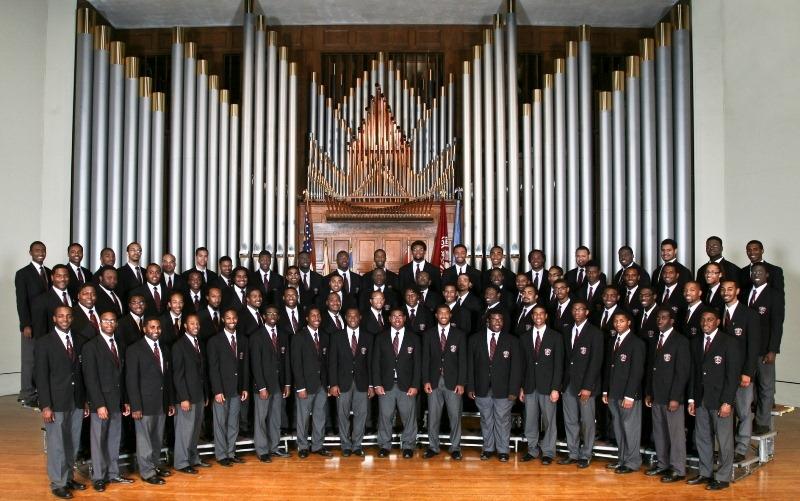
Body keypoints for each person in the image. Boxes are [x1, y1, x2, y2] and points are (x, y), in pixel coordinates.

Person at [36, 305, 88, 498]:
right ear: (54, 319)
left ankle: (68, 477)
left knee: (72, 443)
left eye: (68, 316)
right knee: (57, 444)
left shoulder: (79, 340)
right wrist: (46, 405)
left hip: (76, 401)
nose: (64, 319)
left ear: (72, 319)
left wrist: (84, 401)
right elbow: (41, 377)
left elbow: (82, 374)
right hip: (55, 403)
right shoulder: (44, 343)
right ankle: (58, 483)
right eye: (60, 316)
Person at [687, 310, 741, 491]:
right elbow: (694, 373)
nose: (705, 322)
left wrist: (727, 402)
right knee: (703, 438)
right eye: (703, 319)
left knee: (724, 440)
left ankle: (723, 477)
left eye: (710, 319)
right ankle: (705, 473)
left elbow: (732, 376)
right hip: (701, 399)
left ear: (717, 322)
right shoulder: (695, 343)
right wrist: (692, 399)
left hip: (720, 401)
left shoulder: (729, 342)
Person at [82, 311, 134, 491]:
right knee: (98, 441)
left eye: (112, 321)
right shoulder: (91, 347)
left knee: (114, 439)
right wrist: (99, 404)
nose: (109, 324)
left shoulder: (120, 344)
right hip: (101, 404)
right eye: (106, 321)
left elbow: (123, 376)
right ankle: (98, 477)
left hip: (117, 402)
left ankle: (113, 473)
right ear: (99, 323)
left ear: (116, 324)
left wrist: (126, 400)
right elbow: (90, 379)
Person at [126, 317, 175, 485]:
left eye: (158, 327)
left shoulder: (164, 348)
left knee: (156, 438)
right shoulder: (135, 349)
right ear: (144, 329)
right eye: (152, 327)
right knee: (145, 440)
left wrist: (169, 402)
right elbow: (131, 380)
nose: (156, 330)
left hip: (161, 402)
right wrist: (136, 406)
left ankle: (154, 465)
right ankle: (147, 472)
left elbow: (167, 378)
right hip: (144, 404)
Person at [467, 311, 522, 463]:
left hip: (504, 390)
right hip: (481, 387)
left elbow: (516, 368)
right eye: (494, 319)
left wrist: (513, 390)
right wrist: (471, 387)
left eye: (500, 319)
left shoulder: (512, 340)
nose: (497, 322)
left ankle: (503, 450)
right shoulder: (475, 339)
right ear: (487, 322)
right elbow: (470, 365)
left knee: (503, 420)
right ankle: (488, 448)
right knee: (486, 419)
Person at [644, 307, 690, 483]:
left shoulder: (680, 341)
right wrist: (649, 392)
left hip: (672, 398)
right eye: (658, 317)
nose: (660, 320)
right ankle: (663, 464)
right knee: (660, 433)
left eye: (664, 317)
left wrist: (675, 397)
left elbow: (682, 372)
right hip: (657, 395)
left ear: (672, 321)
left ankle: (678, 469)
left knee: (675, 434)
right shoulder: (655, 340)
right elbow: (651, 369)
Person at [559, 300, 604, 468]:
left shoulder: (595, 333)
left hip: (586, 386)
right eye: (574, 309)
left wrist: (588, 387)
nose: (577, 312)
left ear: (587, 312)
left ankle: (586, 454)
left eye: (580, 309)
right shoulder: (566, 330)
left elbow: (595, 362)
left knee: (586, 421)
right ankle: (573, 453)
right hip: (568, 383)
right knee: (570, 420)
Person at [720, 279, 761, 461]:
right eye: (723, 289)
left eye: (730, 289)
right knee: (725, 410)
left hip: (741, 372)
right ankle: (725, 448)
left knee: (744, 412)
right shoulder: (717, 312)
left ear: (737, 291)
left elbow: (753, 348)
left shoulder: (749, 315)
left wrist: (748, 373)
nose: (726, 292)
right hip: (722, 372)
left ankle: (741, 448)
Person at [373, 308, 421, 459]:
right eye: (394, 316)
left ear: (405, 318)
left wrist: (415, 384)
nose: (397, 319)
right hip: (386, 384)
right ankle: (384, 446)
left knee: (409, 417)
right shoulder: (381, 337)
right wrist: (377, 384)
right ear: (389, 319)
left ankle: (408, 445)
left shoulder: (414, 338)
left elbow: (418, 364)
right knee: (385, 416)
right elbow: (375, 363)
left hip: (406, 385)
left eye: (400, 316)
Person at [603, 311, 646, 474]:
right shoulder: (613, 341)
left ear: (628, 322)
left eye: (621, 320)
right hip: (614, 393)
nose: (618, 324)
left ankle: (632, 462)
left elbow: (637, 371)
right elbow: (609, 368)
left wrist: (630, 395)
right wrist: (606, 390)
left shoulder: (636, 343)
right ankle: (622, 459)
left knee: (630, 428)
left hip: (628, 395)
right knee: (619, 428)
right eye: (615, 321)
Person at [519, 305, 563, 465]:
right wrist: (521, 387)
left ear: (546, 316)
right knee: (530, 419)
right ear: (532, 317)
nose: (538, 316)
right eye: (535, 314)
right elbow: (521, 365)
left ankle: (549, 452)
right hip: (530, 386)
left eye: (541, 314)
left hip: (548, 387)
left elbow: (559, 365)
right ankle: (532, 449)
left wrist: (556, 388)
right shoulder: (524, 337)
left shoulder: (555, 337)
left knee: (549, 421)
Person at [422, 305, 467, 460]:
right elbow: (425, 360)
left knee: (455, 416)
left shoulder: (459, 335)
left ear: (450, 314)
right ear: (436, 315)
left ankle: (455, 448)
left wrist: (461, 382)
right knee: (433, 417)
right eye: (440, 313)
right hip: (434, 381)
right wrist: (426, 380)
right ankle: (433, 447)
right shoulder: (428, 334)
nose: (443, 315)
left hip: (453, 382)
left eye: (446, 313)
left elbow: (463, 361)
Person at [746, 263, 785, 434]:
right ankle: (751, 420)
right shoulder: (746, 292)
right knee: (750, 386)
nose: (756, 274)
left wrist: (773, 350)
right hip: (748, 349)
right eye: (754, 271)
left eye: (760, 272)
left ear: (767, 275)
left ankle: (762, 422)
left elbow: (777, 325)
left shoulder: (774, 295)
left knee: (766, 386)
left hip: (764, 350)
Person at [207, 309, 249, 466]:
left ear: (237, 319)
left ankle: (231, 452)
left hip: (237, 390)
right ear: (223, 320)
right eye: (228, 318)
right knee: (220, 424)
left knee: (233, 423)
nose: (231, 320)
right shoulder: (215, 341)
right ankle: (221, 455)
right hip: (222, 391)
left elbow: (244, 365)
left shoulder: (243, 340)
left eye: (234, 318)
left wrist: (244, 387)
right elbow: (213, 368)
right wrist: (217, 391)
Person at [329, 308, 374, 457]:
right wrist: (333, 384)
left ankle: (357, 445)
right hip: (342, 383)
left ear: (360, 317)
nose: (352, 318)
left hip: (362, 382)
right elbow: (332, 362)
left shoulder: (368, 337)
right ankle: (345, 445)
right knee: (343, 415)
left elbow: (370, 363)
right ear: (346, 318)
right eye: (349, 316)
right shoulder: (336, 336)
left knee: (361, 415)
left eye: (355, 315)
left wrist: (371, 385)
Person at [250, 306, 292, 462]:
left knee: (275, 418)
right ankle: (262, 450)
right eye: (269, 314)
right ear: (263, 316)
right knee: (261, 419)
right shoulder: (256, 336)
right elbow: (256, 364)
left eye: (275, 313)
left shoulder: (283, 335)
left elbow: (286, 361)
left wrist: (287, 384)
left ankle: (274, 447)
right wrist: (261, 387)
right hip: (263, 387)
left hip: (278, 385)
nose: (272, 316)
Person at [172, 314, 211, 474]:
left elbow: (202, 373)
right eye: (191, 323)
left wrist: (205, 394)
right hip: (187, 397)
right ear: (185, 326)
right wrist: (183, 398)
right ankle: (181, 462)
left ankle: (193, 458)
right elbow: (178, 375)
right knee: (184, 431)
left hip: (199, 396)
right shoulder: (179, 346)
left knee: (195, 431)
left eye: (197, 323)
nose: (195, 326)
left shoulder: (199, 343)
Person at [292, 307, 332, 458]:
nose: (316, 318)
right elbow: (296, 364)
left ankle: (317, 445)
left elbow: (327, 362)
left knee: (320, 416)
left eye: (318, 315)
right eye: (313, 315)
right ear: (307, 318)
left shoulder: (325, 336)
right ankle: (302, 447)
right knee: (303, 417)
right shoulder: (299, 337)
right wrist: (300, 386)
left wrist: (328, 384)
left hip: (321, 384)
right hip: (305, 385)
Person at [15, 240, 50, 407]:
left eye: (43, 249)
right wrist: (25, 324)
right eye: (37, 249)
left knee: (42, 358)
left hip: (48, 325)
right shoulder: (23, 273)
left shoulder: (50, 273)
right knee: (29, 359)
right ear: (30, 252)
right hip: (32, 325)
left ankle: (39, 391)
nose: (40, 252)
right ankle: (27, 394)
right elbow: (21, 301)